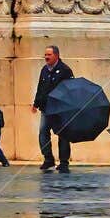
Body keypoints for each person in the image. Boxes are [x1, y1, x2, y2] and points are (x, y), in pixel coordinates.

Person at [31, 45, 74, 173]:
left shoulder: (65, 70)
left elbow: (70, 89)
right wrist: (36, 103)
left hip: (61, 109)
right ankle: (48, 159)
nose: (46, 57)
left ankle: (64, 162)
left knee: (63, 135)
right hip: (46, 108)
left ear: (56, 55)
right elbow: (41, 88)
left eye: (49, 55)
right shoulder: (44, 69)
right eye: (45, 55)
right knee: (43, 132)